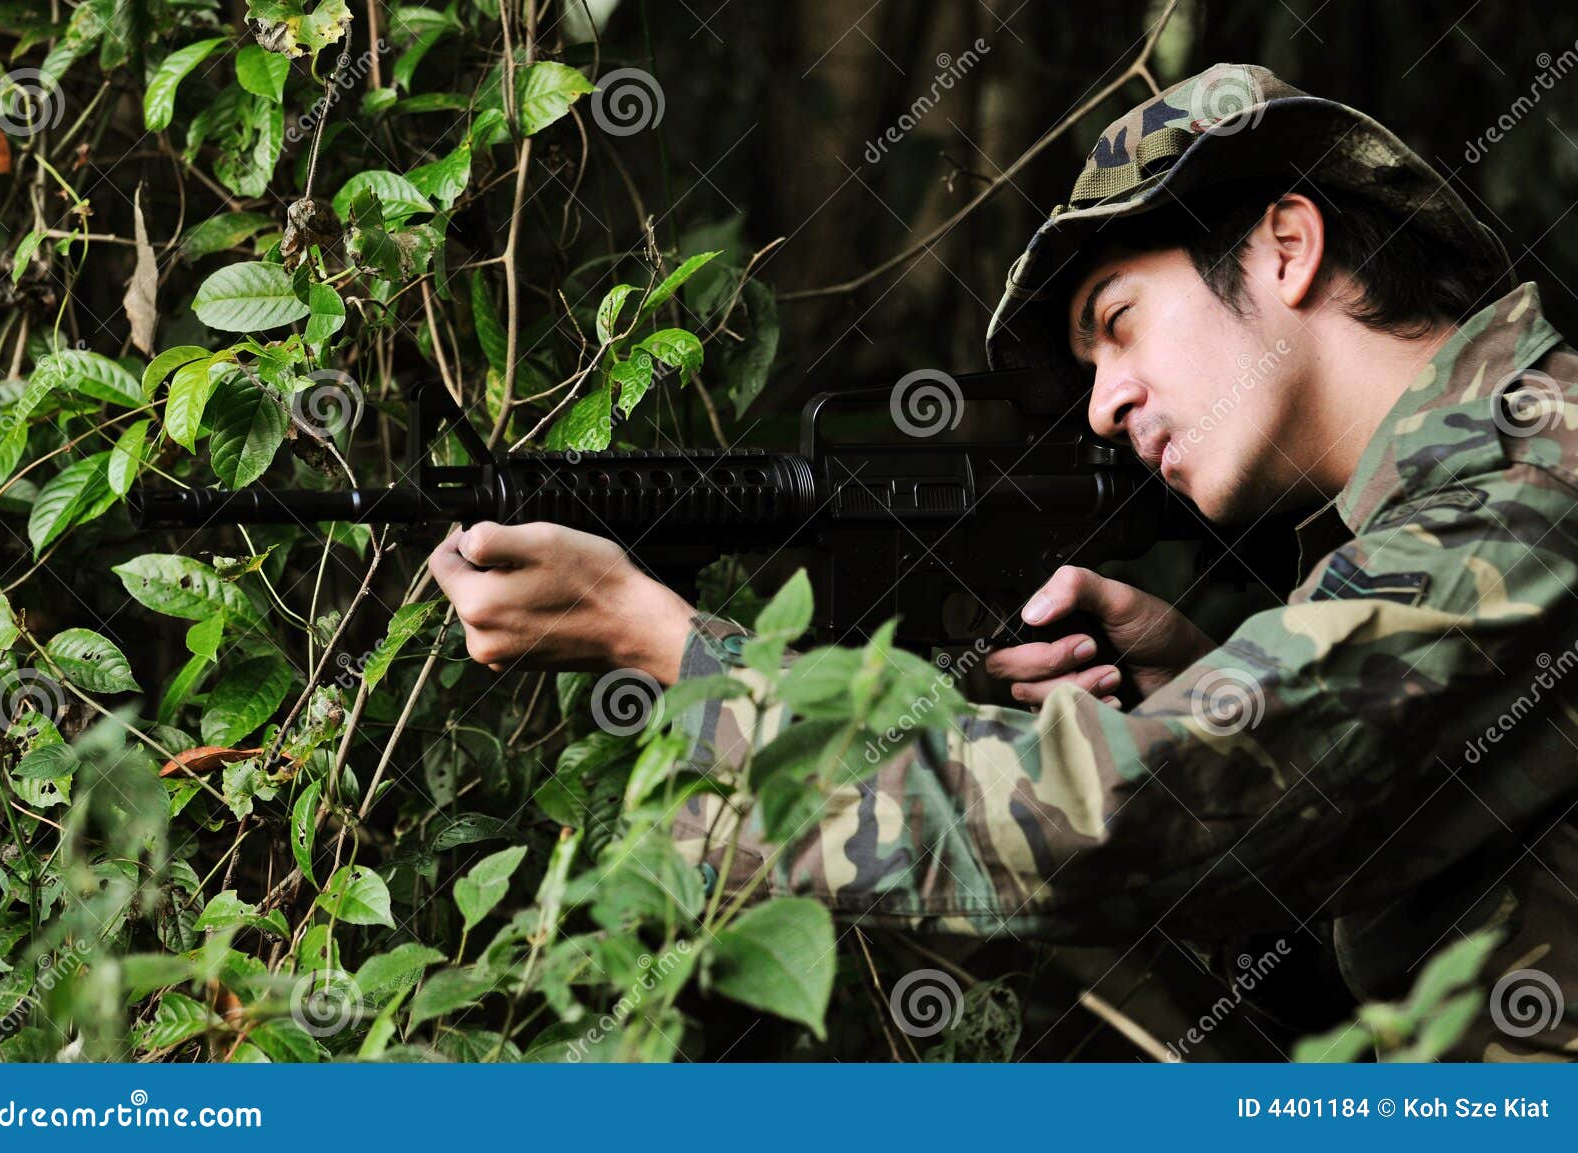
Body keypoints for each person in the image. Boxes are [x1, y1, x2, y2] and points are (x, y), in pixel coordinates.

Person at [430, 64, 1577, 1060]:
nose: (1103, 404)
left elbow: (1107, 820)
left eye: (1117, 320)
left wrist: (670, 650)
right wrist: (1209, 680)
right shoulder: (1462, 491)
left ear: (1285, 245)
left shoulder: (1529, 475)